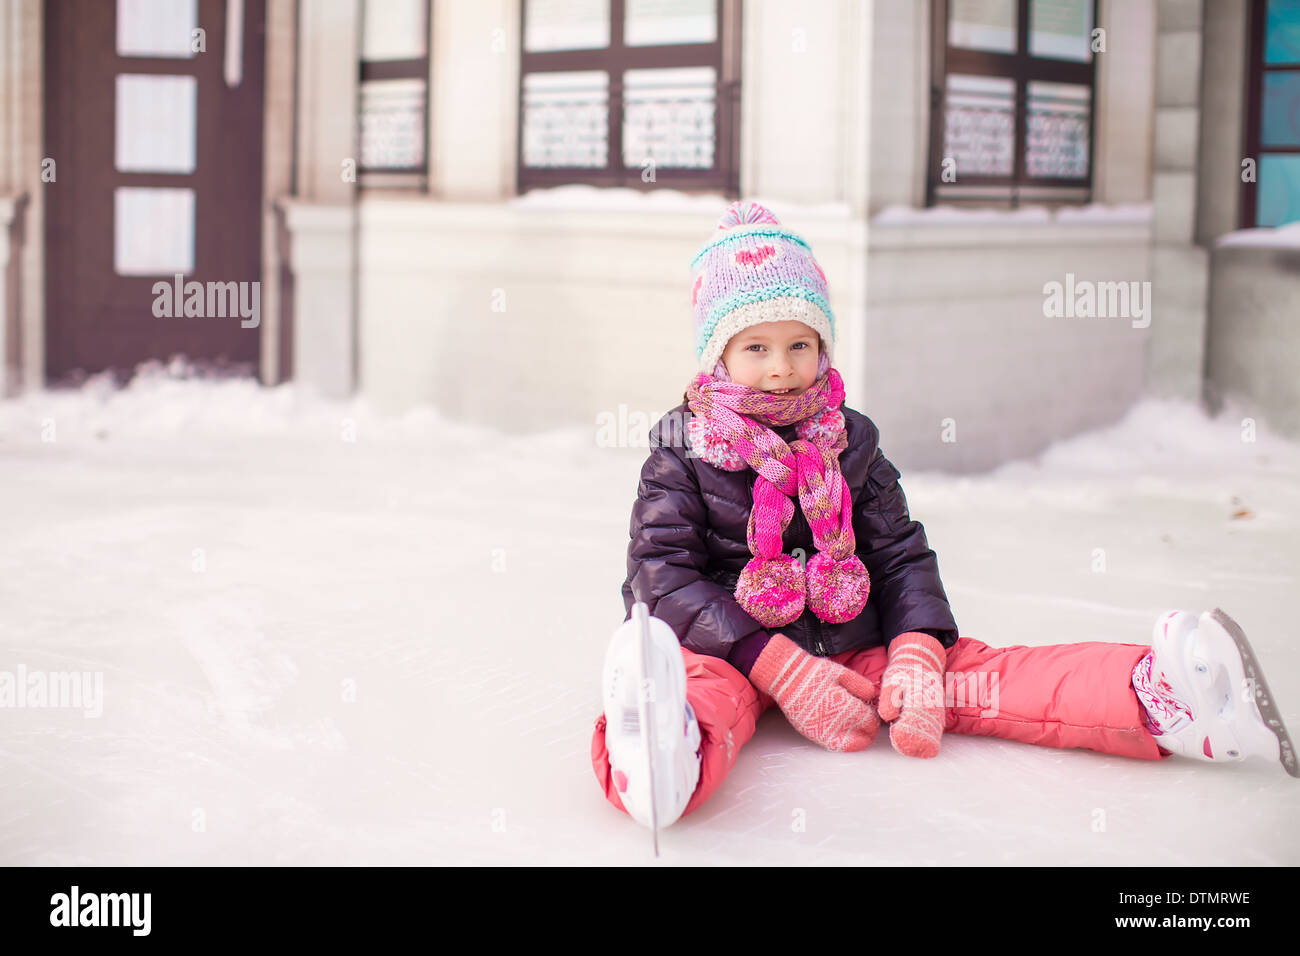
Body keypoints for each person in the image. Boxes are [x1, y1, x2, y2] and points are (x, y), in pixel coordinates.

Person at [590, 200, 1297, 831]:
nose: (781, 368)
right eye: (756, 347)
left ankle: (1155, 697)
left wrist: (918, 648)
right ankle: (662, 746)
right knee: (705, 688)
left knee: (978, 675)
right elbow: (662, 578)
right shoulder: (682, 450)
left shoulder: (851, 441)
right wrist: (770, 662)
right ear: (718, 355)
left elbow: (898, 552)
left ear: (823, 346)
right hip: (731, 648)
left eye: (799, 344)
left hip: (848, 640)